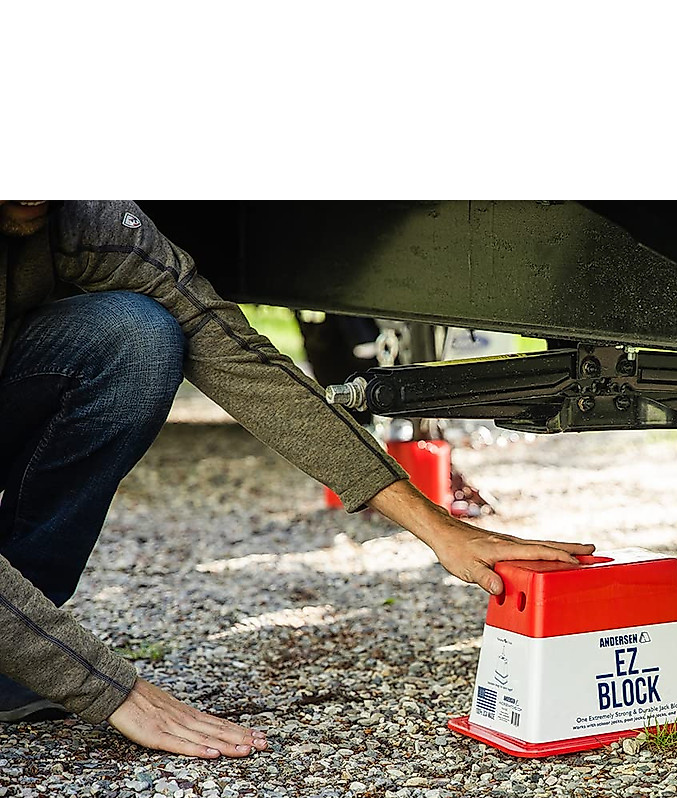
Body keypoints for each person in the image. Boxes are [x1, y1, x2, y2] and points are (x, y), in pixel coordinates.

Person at [0, 200, 593, 759]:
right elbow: (108, 690)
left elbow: (242, 364)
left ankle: (14, 657)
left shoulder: (82, 217)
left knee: (137, 337)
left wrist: (440, 530)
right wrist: (104, 686)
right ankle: (27, 648)